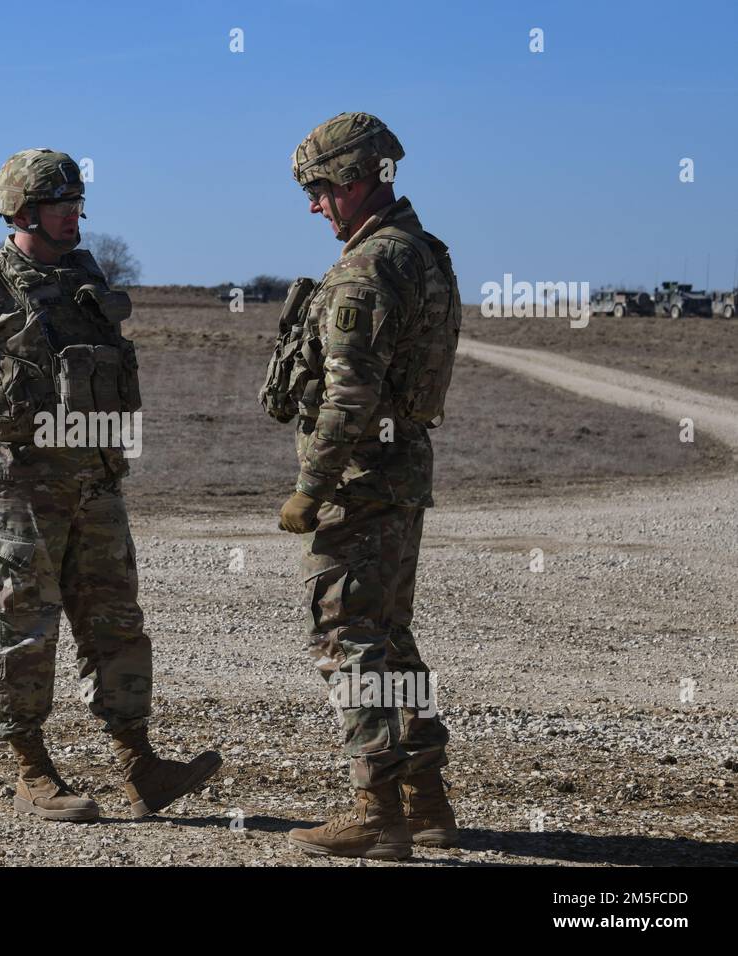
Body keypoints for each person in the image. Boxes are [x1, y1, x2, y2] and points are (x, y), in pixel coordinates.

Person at [0, 147, 221, 822]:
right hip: (18, 488)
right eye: (61, 204)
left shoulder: (86, 279)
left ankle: (140, 766)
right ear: (23, 210)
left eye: (78, 203)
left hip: (96, 483)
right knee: (25, 626)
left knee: (116, 624)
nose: (74, 215)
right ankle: (31, 771)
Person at [260, 113, 461, 859]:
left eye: (318, 190)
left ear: (351, 177)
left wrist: (311, 486)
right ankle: (425, 800)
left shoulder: (369, 266)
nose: (315, 205)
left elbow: (349, 392)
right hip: (400, 471)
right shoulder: (423, 252)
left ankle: (377, 809)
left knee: (348, 636)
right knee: (390, 634)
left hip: (360, 479)